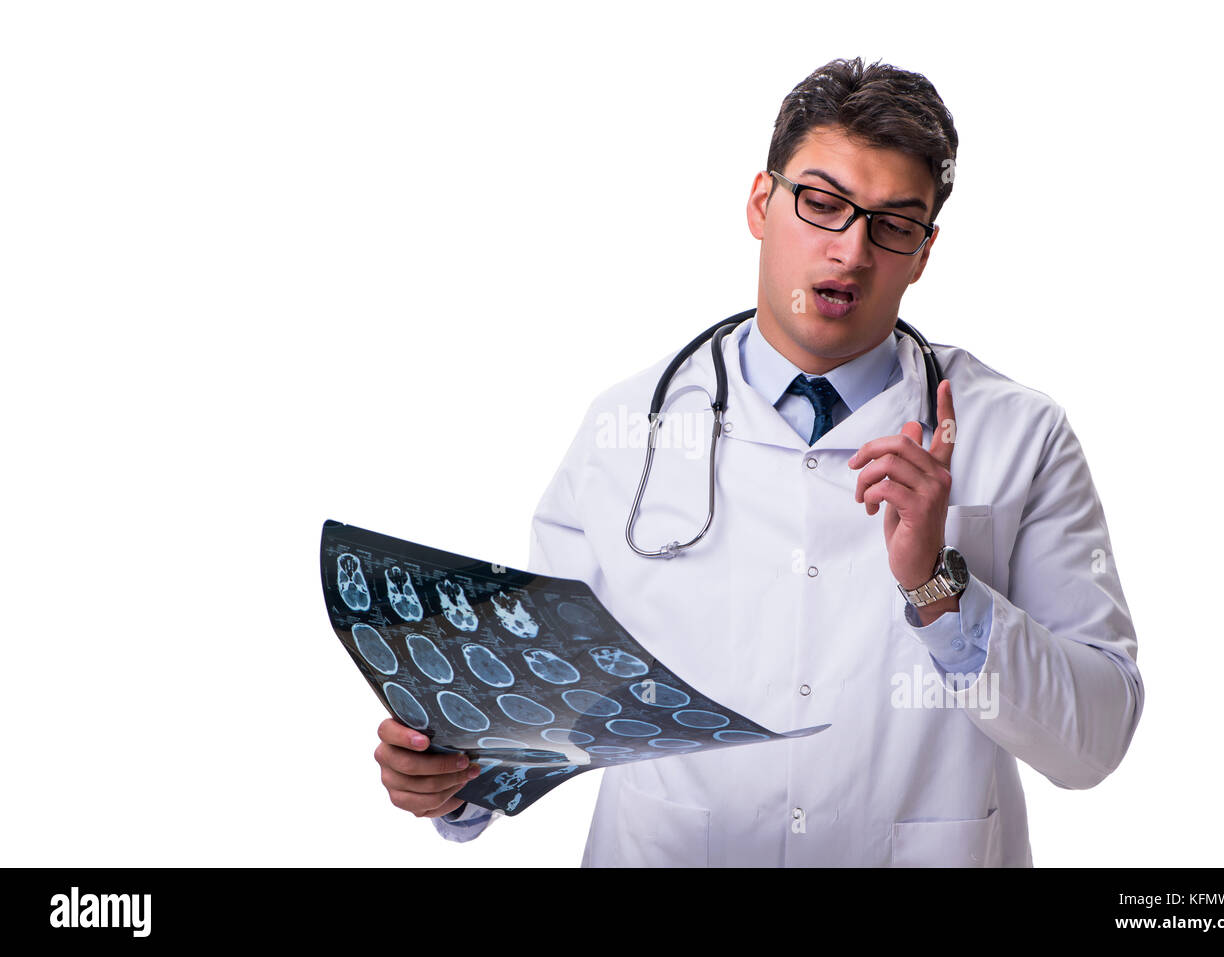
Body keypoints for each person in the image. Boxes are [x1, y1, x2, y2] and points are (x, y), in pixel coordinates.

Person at [372, 56, 1143, 866]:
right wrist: (450, 779)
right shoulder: (628, 429)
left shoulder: (1021, 435)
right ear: (760, 203)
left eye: (894, 223)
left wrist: (939, 589)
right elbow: (536, 709)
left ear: (923, 252)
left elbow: (1095, 740)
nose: (851, 250)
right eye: (822, 203)